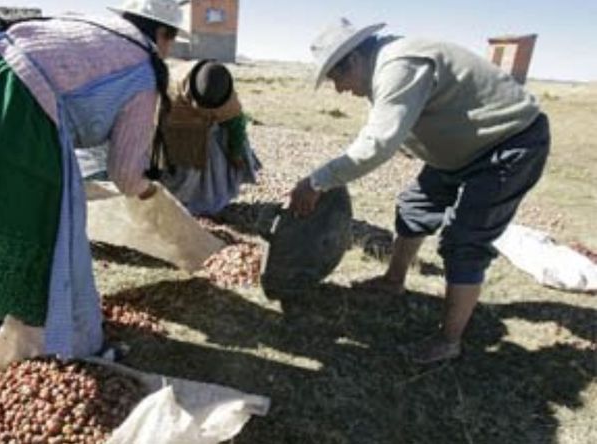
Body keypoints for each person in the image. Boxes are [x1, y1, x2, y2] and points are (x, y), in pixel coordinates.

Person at [0, 0, 184, 359]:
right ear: (162, 34)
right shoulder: (142, 69)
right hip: (11, 100)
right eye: (171, 41)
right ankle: (43, 330)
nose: (169, 50)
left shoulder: (94, 31)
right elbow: (126, 173)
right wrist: (148, 193)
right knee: (36, 217)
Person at [289, 19, 550, 364]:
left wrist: (316, 181)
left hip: (507, 144)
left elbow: (377, 144)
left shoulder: (399, 64)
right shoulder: (386, 65)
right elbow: (390, 127)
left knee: (465, 242)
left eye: (337, 79)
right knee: (414, 206)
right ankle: (393, 282)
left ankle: (449, 340)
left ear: (353, 61)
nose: (339, 90)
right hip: (462, 151)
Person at [158, 59, 261, 216]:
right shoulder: (172, 91)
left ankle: (211, 198)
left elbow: (236, 127)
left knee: (220, 152)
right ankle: (177, 199)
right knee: (187, 165)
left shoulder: (225, 95)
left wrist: (236, 153)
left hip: (211, 130)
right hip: (179, 129)